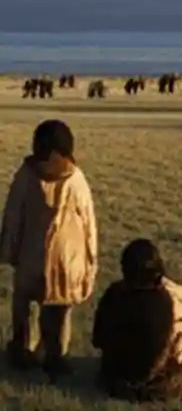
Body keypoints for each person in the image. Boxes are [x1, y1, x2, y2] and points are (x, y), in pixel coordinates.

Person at [0, 119, 98, 379]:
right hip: (67, 258)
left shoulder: (26, 174)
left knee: (23, 304)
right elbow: (89, 223)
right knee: (61, 309)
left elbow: (12, 216)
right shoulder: (76, 178)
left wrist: (8, 251)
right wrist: (91, 260)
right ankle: (56, 355)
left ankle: (22, 349)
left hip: (31, 255)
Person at [92, 239, 182, 403]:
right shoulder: (163, 301)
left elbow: (97, 339)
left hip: (110, 376)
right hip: (148, 384)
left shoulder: (114, 292)